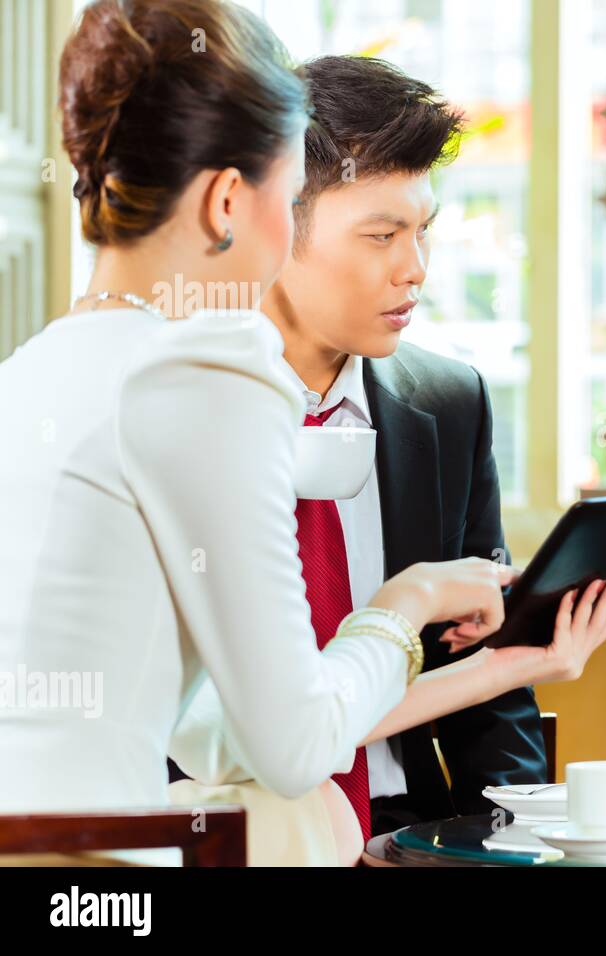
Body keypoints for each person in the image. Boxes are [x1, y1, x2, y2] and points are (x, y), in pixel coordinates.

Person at [0, 0, 606, 866]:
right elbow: (292, 745)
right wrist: (405, 602)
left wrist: (499, 662)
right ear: (229, 199)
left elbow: (222, 727)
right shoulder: (210, 372)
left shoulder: (27, 376)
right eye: (291, 196)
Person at [171, 55, 555, 839]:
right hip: (217, 829)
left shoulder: (450, 403)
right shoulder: (174, 409)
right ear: (274, 224)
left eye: (423, 232)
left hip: (407, 832)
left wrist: (515, 837)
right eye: (381, 236)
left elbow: (484, 664)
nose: (414, 270)